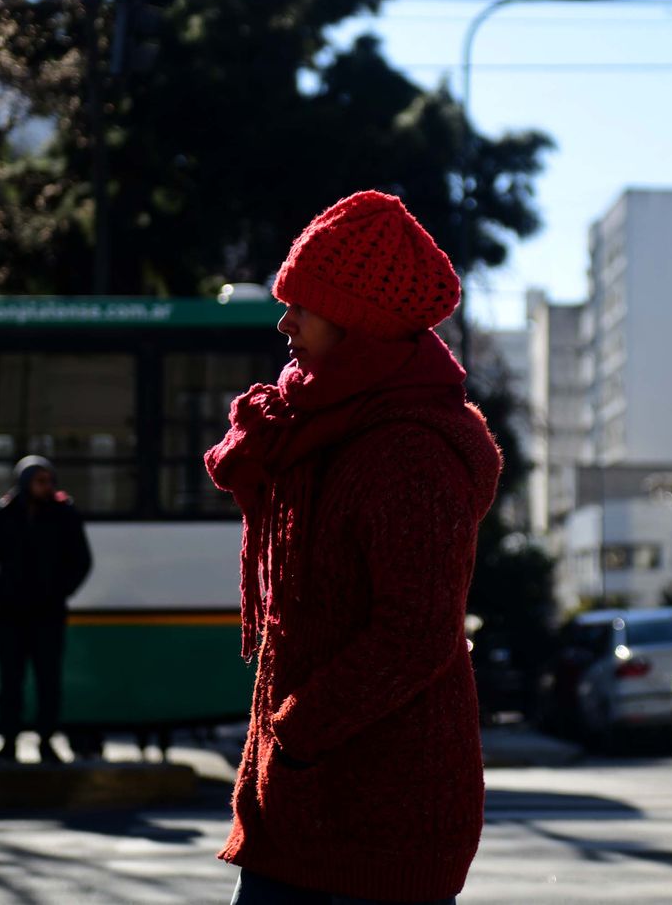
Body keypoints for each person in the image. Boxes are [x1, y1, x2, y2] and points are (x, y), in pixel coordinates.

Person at [205, 190, 503, 904]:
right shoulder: (323, 422)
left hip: (381, 818)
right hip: (300, 811)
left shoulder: (409, 451)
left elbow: (417, 631)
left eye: (301, 307)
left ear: (356, 322)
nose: (284, 324)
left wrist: (298, 732)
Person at [0, 455, 92, 765]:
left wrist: (57, 592)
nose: (47, 487)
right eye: (40, 481)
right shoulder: (4, 513)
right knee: (10, 682)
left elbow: (81, 561)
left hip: (48, 614)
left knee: (47, 681)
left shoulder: (64, 514)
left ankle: (45, 742)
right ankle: (9, 743)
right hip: (10, 615)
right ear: (25, 482)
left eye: (49, 480)